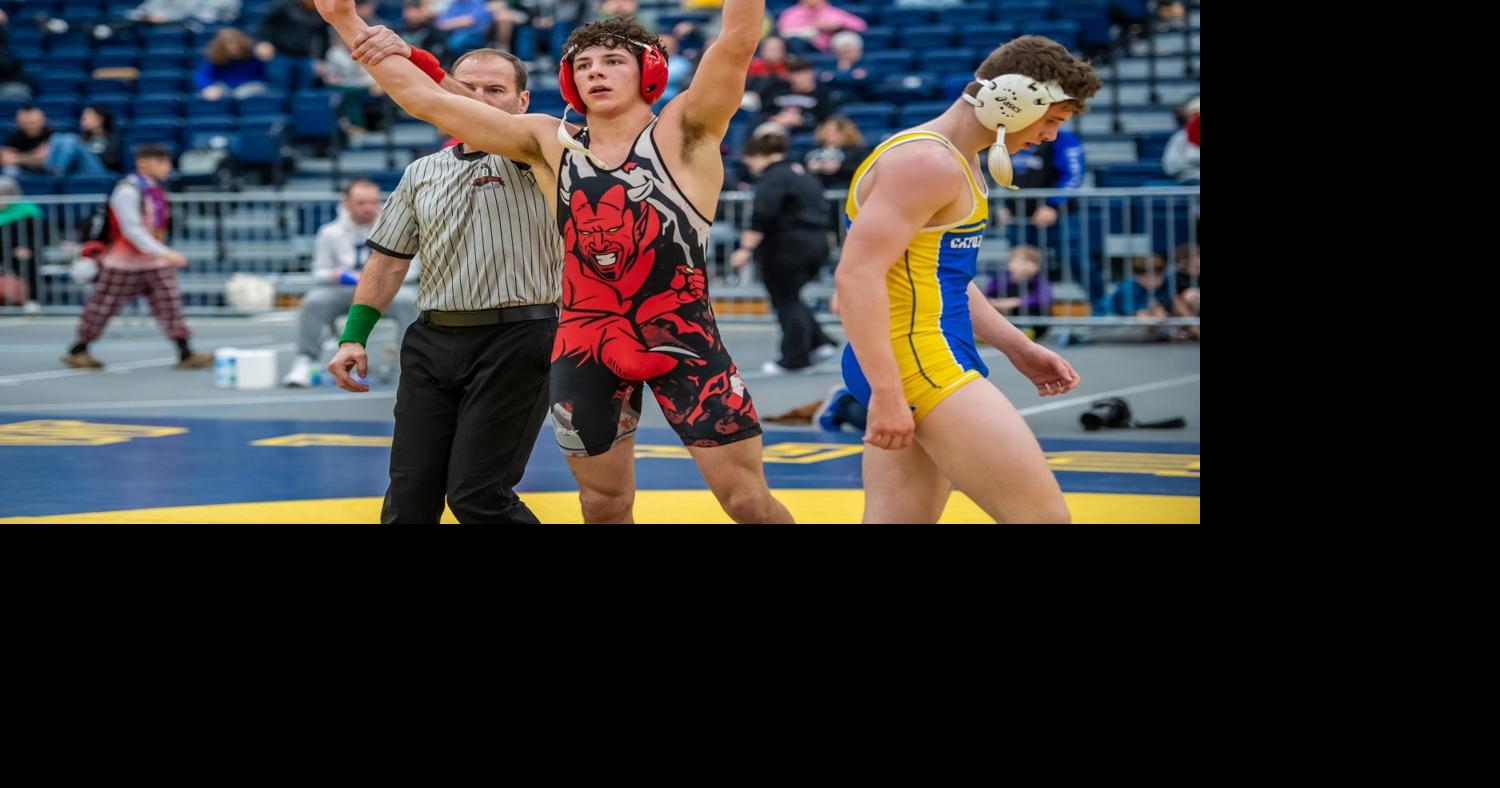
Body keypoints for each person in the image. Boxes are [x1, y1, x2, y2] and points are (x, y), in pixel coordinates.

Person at [326, 0, 795, 524]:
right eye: (583, 64)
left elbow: (735, 41)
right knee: (602, 504)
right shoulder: (550, 144)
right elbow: (424, 99)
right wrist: (343, 18)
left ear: (649, 70)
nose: (596, 71)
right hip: (587, 342)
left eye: (613, 60)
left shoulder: (686, 129)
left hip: (682, 337)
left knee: (746, 501)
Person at [835, 36, 1099, 523]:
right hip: (919, 360)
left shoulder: (955, 159)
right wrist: (891, 395)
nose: (1050, 137)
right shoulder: (928, 163)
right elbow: (855, 278)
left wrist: (1017, 346)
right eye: (1052, 120)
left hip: (918, 352)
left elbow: (939, 277)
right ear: (1014, 99)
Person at [323, 48, 565, 524]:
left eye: (494, 90)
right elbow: (387, 262)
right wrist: (354, 334)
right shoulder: (421, 172)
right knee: (409, 498)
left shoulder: (544, 154)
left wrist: (409, 55)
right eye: (466, 89)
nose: (477, 100)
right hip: (432, 339)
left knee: (478, 494)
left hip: (517, 339)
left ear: (523, 102)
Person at [61, 145, 215, 370]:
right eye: (161, 162)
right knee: (103, 306)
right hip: (125, 263)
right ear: (143, 163)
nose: (167, 168)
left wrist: (160, 253)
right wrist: (166, 252)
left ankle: (185, 351)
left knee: (170, 304)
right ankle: (79, 349)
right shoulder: (128, 190)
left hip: (152, 262)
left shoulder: (154, 190)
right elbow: (132, 230)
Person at [283, 179, 419, 388]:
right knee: (314, 302)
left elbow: (413, 270)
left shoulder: (395, 227)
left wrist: (376, 278)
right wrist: (338, 275)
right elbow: (318, 271)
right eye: (361, 203)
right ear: (347, 203)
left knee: (410, 301)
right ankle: (305, 360)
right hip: (344, 289)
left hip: (385, 289)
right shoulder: (330, 232)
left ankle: (409, 366)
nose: (369, 208)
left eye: (373, 202)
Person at [731, 131, 837, 374]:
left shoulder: (773, 178)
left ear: (758, 155)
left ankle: (795, 358)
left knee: (785, 300)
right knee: (792, 296)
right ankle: (820, 342)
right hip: (816, 242)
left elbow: (763, 216)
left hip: (787, 246)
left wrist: (745, 249)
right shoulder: (800, 173)